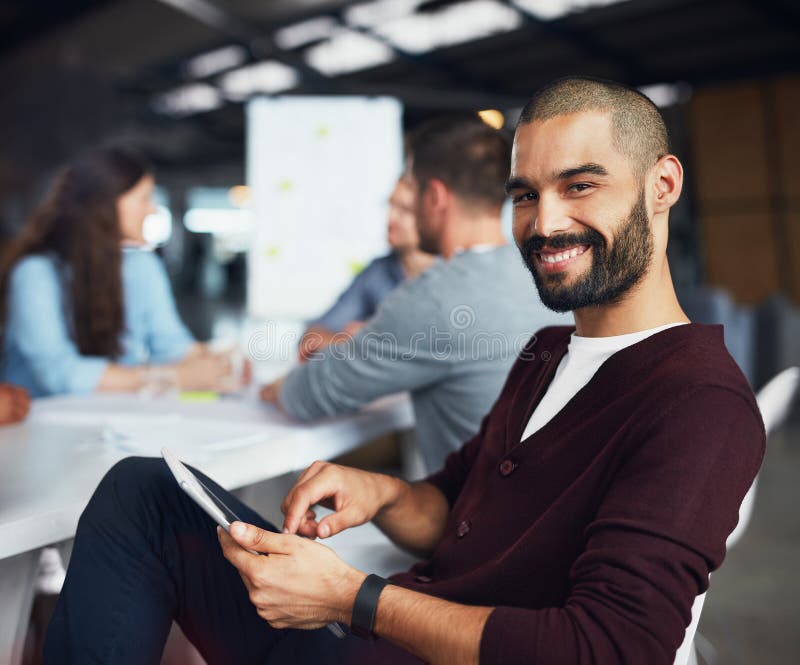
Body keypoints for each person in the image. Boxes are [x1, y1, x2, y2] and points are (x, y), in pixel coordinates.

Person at [44, 78, 764, 665]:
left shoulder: (697, 402)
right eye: (524, 195)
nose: (544, 223)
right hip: (384, 632)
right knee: (146, 491)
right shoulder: (549, 352)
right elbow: (458, 507)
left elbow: (611, 649)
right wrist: (382, 492)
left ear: (662, 184)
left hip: (393, 634)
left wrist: (352, 598)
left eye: (579, 186)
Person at [262, 116, 568, 473]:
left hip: (476, 506)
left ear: (434, 197)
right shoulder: (545, 274)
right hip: (548, 494)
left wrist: (274, 389)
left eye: (412, 186)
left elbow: (306, 395)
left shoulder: (433, 298)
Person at [0, 146, 234, 397]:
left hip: (114, 414)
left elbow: (170, 343)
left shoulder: (142, 266)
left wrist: (216, 362)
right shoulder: (35, 273)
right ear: (106, 204)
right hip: (38, 416)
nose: (153, 209)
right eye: (144, 198)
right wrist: (172, 377)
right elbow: (58, 374)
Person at [298, 176, 435, 361]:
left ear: (432, 216)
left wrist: (374, 340)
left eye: (404, 210)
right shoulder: (377, 273)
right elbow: (311, 338)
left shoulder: (455, 276)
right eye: (390, 206)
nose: (390, 218)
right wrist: (358, 342)